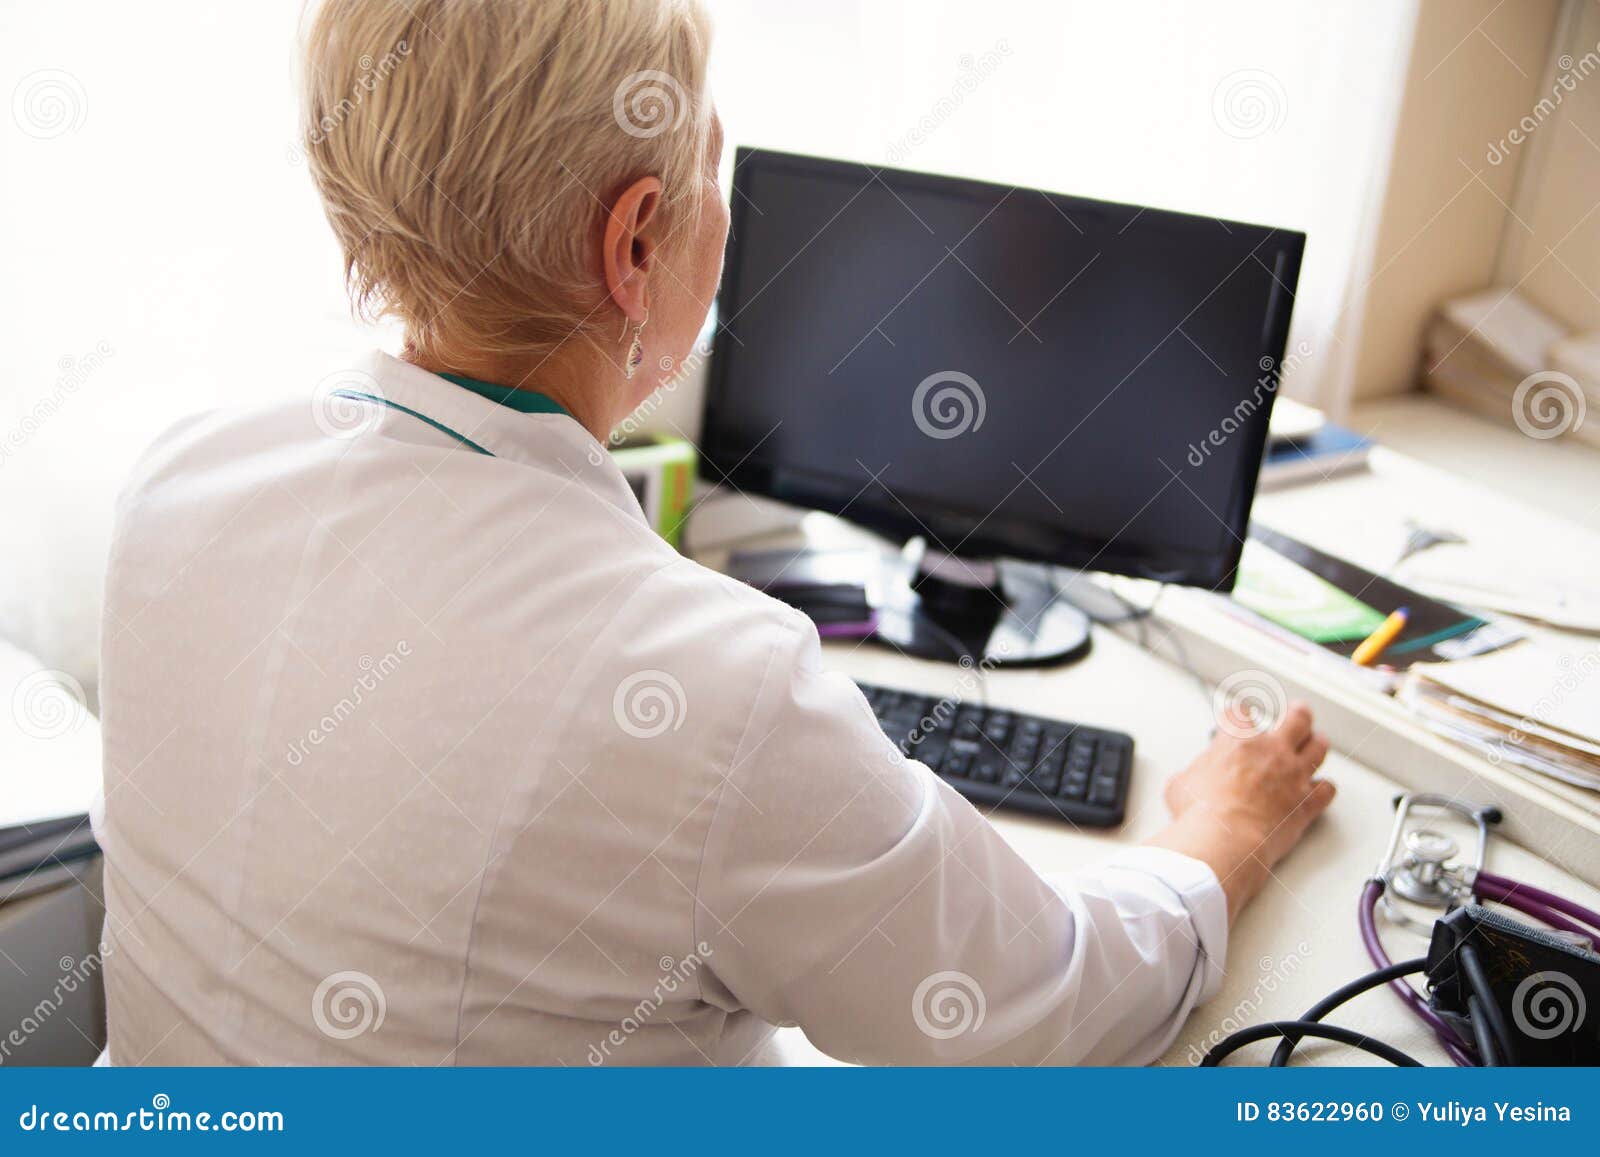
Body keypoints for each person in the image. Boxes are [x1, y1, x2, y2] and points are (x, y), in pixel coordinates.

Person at [95, 0, 1333, 1066]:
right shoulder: (710, 683)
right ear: (635, 243)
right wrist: (1223, 824)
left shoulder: (179, 481)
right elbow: (1026, 1012)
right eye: (711, 169)